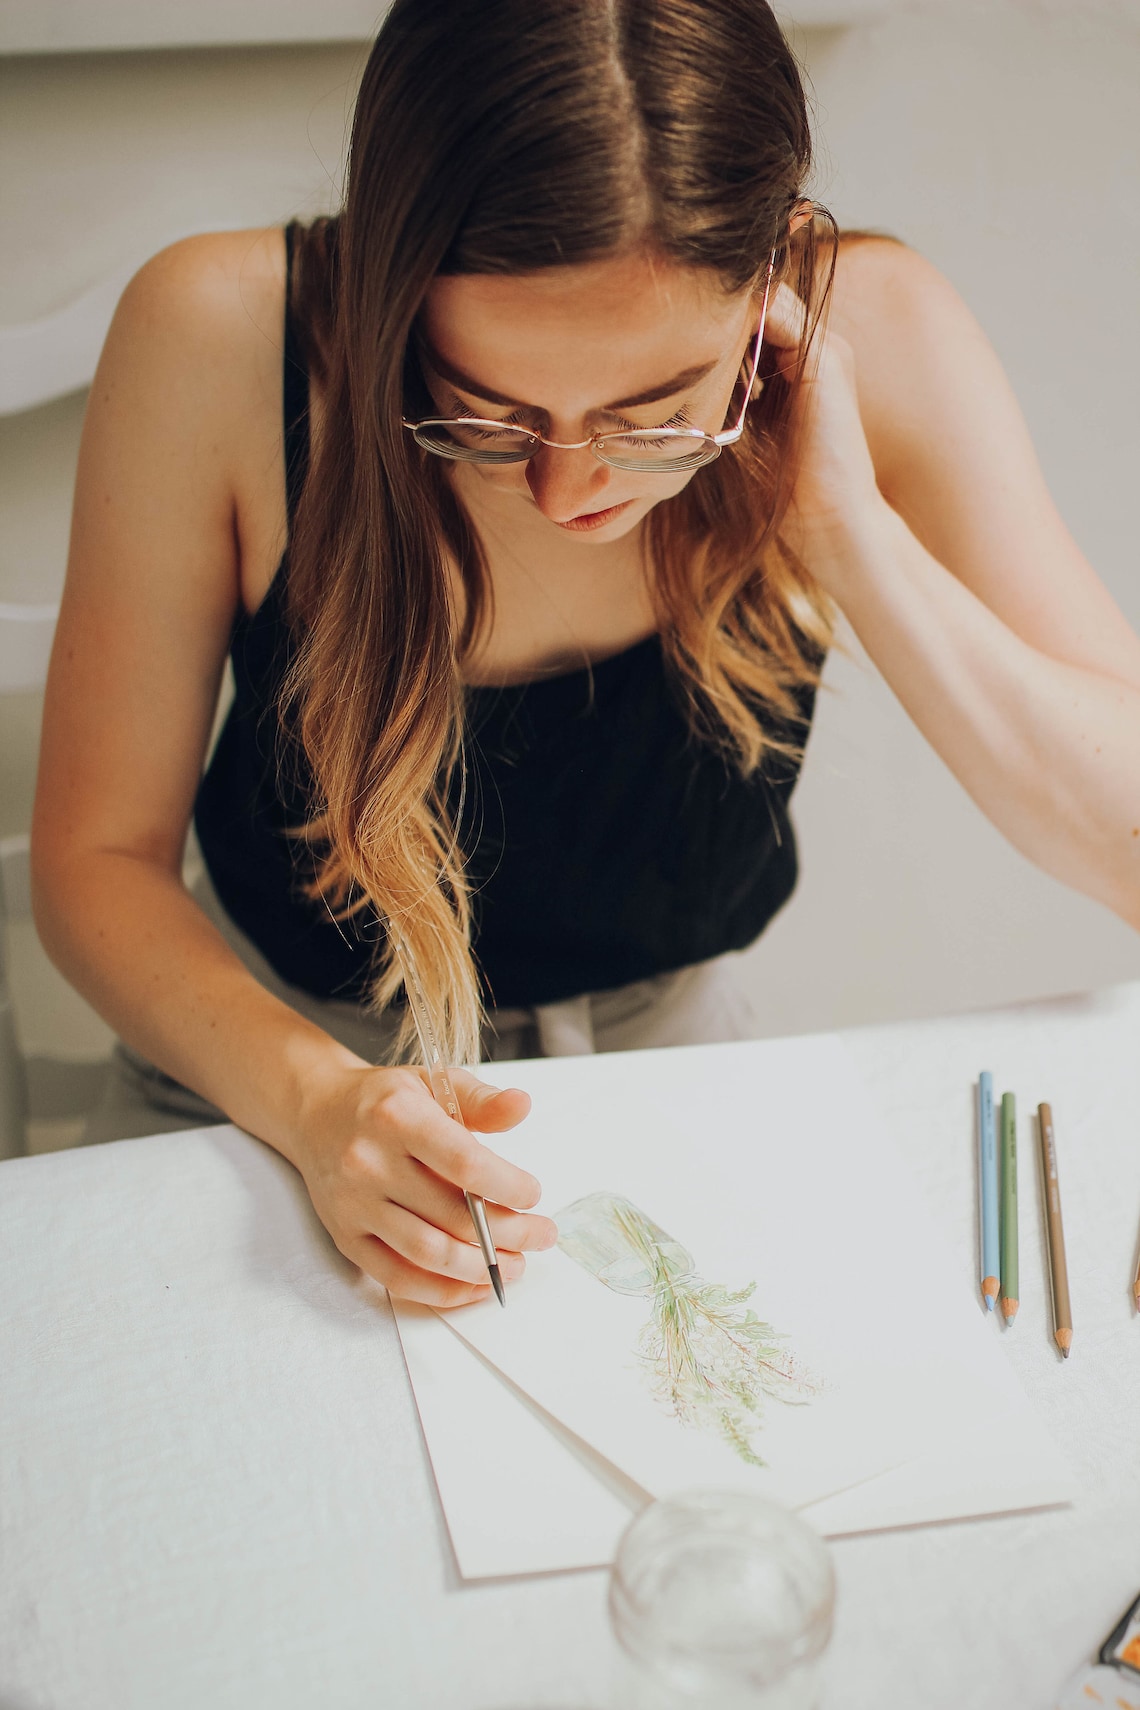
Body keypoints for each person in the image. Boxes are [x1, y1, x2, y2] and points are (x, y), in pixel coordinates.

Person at [32, 0, 1140, 1309]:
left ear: (771, 292)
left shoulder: (881, 334)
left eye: (658, 412)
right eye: (486, 410)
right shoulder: (220, 336)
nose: (568, 491)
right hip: (274, 1061)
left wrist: (849, 532)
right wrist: (321, 1102)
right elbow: (93, 863)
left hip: (661, 1062)